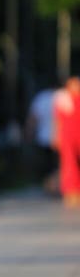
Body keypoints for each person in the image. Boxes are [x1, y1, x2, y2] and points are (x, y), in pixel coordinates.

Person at [53, 77, 80, 207]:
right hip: (68, 135)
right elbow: (58, 120)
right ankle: (70, 192)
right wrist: (57, 136)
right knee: (69, 164)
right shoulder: (63, 99)